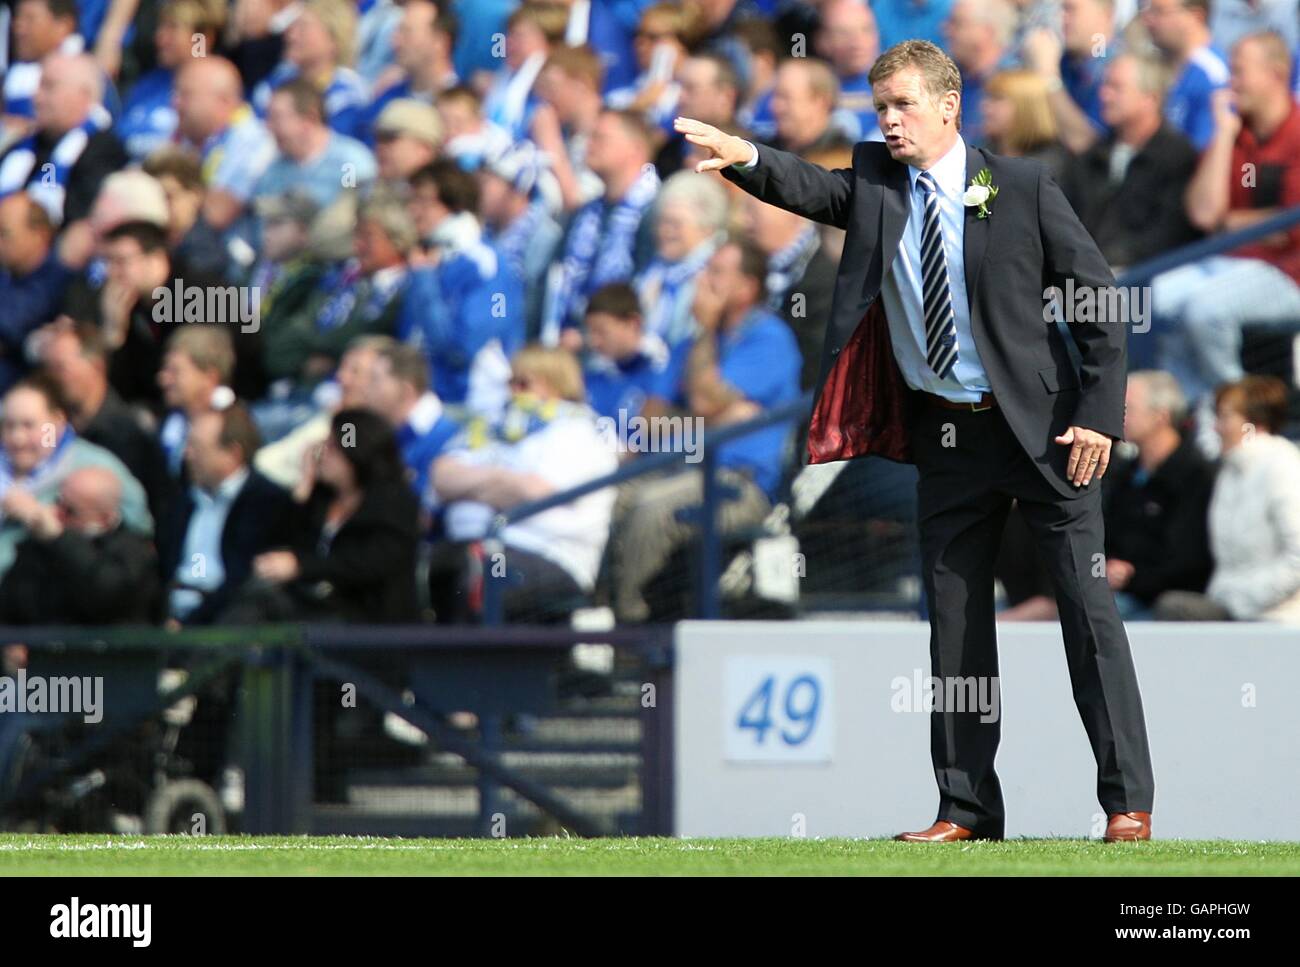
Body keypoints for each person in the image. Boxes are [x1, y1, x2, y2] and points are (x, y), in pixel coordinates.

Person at [677, 37, 1156, 843]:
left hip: (1046, 434)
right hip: (948, 438)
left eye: (902, 104)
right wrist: (743, 157)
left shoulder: (1025, 185)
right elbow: (812, 187)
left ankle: (1126, 804)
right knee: (955, 626)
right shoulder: (874, 181)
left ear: (948, 106)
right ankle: (965, 810)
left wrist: (1102, 414)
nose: (890, 121)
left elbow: (1098, 300)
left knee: (1087, 609)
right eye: (880, 108)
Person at [610, 238, 802, 624]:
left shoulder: (769, 337)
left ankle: (630, 630)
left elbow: (702, 401)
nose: (703, 280)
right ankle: (591, 615)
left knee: (651, 510)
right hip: (674, 468)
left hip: (737, 485)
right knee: (606, 497)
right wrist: (716, 416)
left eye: (716, 272)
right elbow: (649, 422)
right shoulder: (692, 342)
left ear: (747, 287)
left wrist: (693, 413)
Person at [428, 345, 617, 623]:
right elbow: (441, 477)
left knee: (472, 572)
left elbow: (535, 492)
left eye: (523, 382)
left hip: (549, 557)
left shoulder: (580, 430)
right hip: (473, 546)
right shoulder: (494, 425)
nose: (513, 391)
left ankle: (461, 664)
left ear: (555, 382)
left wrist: (476, 483)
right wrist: (500, 480)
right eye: (510, 382)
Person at [233, 409, 421, 623]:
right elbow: (281, 540)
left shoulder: (394, 504)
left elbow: (368, 562)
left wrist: (301, 567)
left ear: (356, 454)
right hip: (314, 609)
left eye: (333, 447)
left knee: (263, 602)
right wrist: (304, 486)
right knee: (257, 593)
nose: (322, 453)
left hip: (368, 621)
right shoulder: (321, 499)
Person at [1155, 376, 1300, 622]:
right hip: (1231, 607)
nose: (1216, 427)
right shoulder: (1228, 472)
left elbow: (1296, 558)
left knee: (1173, 607)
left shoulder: (1283, 467)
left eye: (1224, 417)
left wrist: (1244, 600)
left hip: (1279, 616)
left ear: (1255, 424)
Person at [0, 373, 152, 580]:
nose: (17, 438)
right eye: (9, 426)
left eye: (29, 425)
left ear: (58, 420)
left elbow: (136, 529)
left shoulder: (95, 465)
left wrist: (50, 521)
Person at [1060, 52, 1200, 272]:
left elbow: (1167, 235)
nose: (1104, 95)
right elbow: (1065, 220)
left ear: (1151, 98)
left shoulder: (1177, 158)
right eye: (1105, 85)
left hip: (1143, 277)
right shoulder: (1094, 156)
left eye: (1116, 87)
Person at [157, 402, 292, 625]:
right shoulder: (182, 500)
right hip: (169, 614)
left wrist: (190, 624)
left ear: (232, 453)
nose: (187, 454)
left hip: (224, 620)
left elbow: (242, 579)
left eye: (196, 446)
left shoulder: (267, 501)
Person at [543, 109, 660, 349]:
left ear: (635, 149)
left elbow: (648, 288)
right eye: (590, 137)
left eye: (600, 138)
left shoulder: (655, 212)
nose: (589, 145)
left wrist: (589, 338)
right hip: (569, 341)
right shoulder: (584, 213)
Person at [41, 322, 175, 526]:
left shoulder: (130, 433)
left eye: (60, 368)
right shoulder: (50, 428)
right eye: (48, 370)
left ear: (96, 366)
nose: (52, 380)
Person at [0, 466, 159, 624]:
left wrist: (60, 538)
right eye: (59, 502)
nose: (59, 513)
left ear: (105, 518)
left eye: (70, 511)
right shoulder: (42, 545)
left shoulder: (133, 550)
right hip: (41, 643)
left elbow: (106, 592)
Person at [0, 53, 124, 225]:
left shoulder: (104, 151)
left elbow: (81, 218)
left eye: (49, 87)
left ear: (84, 96)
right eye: (38, 86)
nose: (37, 98)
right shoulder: (21, 146)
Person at [633, 171, 728, 350]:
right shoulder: (653, 270)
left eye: (675, 224)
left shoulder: (714, 273)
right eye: (661, 222)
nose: (665, 231)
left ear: (707, 228)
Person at [251, 0, 370, 140]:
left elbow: (332, 145)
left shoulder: (348, 93)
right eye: (292, 28)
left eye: (303, 29)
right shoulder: (278, 79)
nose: (292, 36)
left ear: (334, 39)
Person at [253, 79, 377, 210]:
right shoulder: (274, 172)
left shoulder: (350, 163)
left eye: (276, 117)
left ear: (310, 118)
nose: (268, 126)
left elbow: (356, 212)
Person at [363, 339, 460, 497]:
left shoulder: (448, 437)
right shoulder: (382, 433)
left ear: (406, 390)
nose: (367, 389)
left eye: (376, 380)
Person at [0, 193, 73, 390]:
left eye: (4, 234)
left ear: (38, 234)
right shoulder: (6, 275)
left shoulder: (61, 281)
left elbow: (9, 327)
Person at [1141, 0, 1227, 151]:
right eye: (1148, 11)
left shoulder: (1213, 75)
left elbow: (1205, 151)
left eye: (1159, 11)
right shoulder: (1156, 65)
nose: (1148, 19)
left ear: (1196, 17)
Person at [980, 69, 1067, 180]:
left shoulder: (1049, 167)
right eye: (988, 98)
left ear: (1027, 108)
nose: (985, 107)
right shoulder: (984, 156)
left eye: (997, 99)